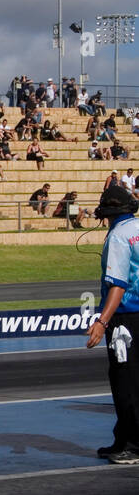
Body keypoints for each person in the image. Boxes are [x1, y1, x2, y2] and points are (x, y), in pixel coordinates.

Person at [87, 187, 139, 462]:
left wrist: (102, 321)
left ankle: (132, 444)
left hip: (126, 317)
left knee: (125, 381)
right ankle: (123, 439)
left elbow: (117, 284)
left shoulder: (118, 236)